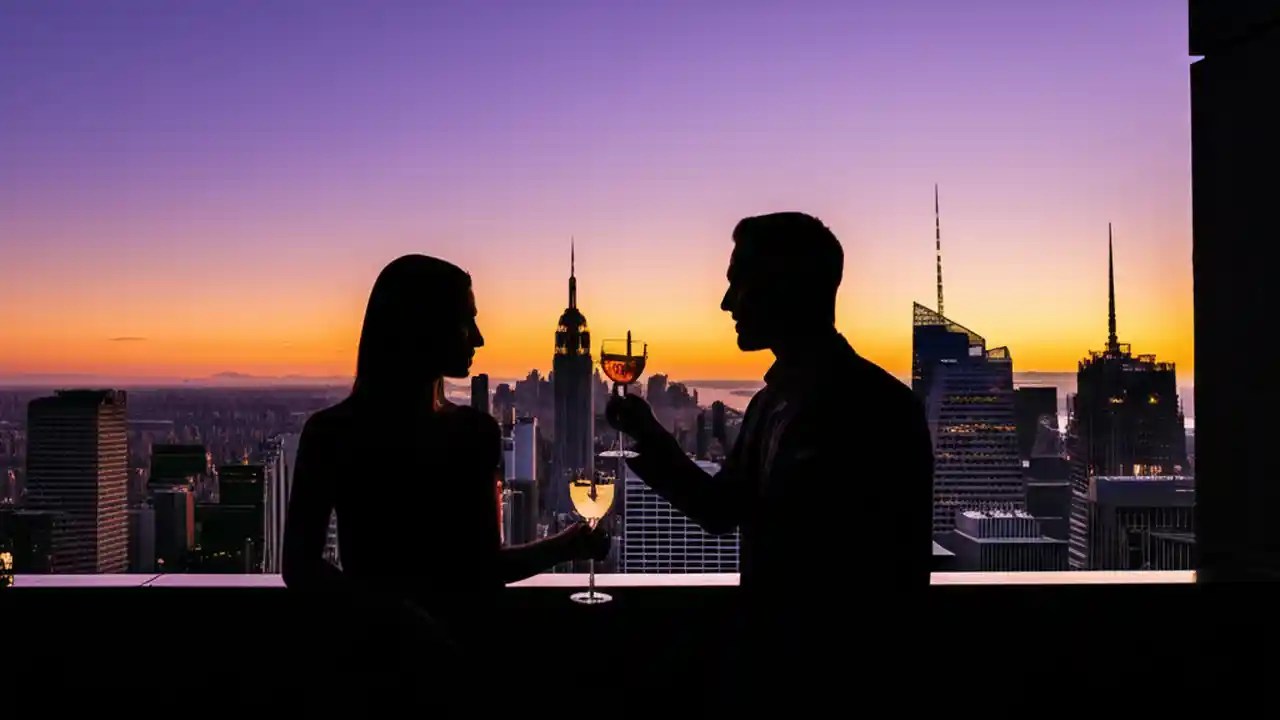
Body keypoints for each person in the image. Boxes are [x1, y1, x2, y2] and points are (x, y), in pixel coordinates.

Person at [606, 212, 934, 706]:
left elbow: (879, 576)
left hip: (843, 683)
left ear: (785, 287)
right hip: (769, 668)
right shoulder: (769, 403)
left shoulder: (878, 406)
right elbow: (720, 510)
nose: (726, 303)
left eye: (739, 283)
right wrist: (649, 436)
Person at [282, 254, 609, 707]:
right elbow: (299, 567)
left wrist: (567, 544)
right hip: (400, 665)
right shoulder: (340, 433)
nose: (479, 337)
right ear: (422, 326)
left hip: (424, 659)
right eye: (465, 321)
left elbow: (479, 566)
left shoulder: (467, 432)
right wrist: (401, 620)